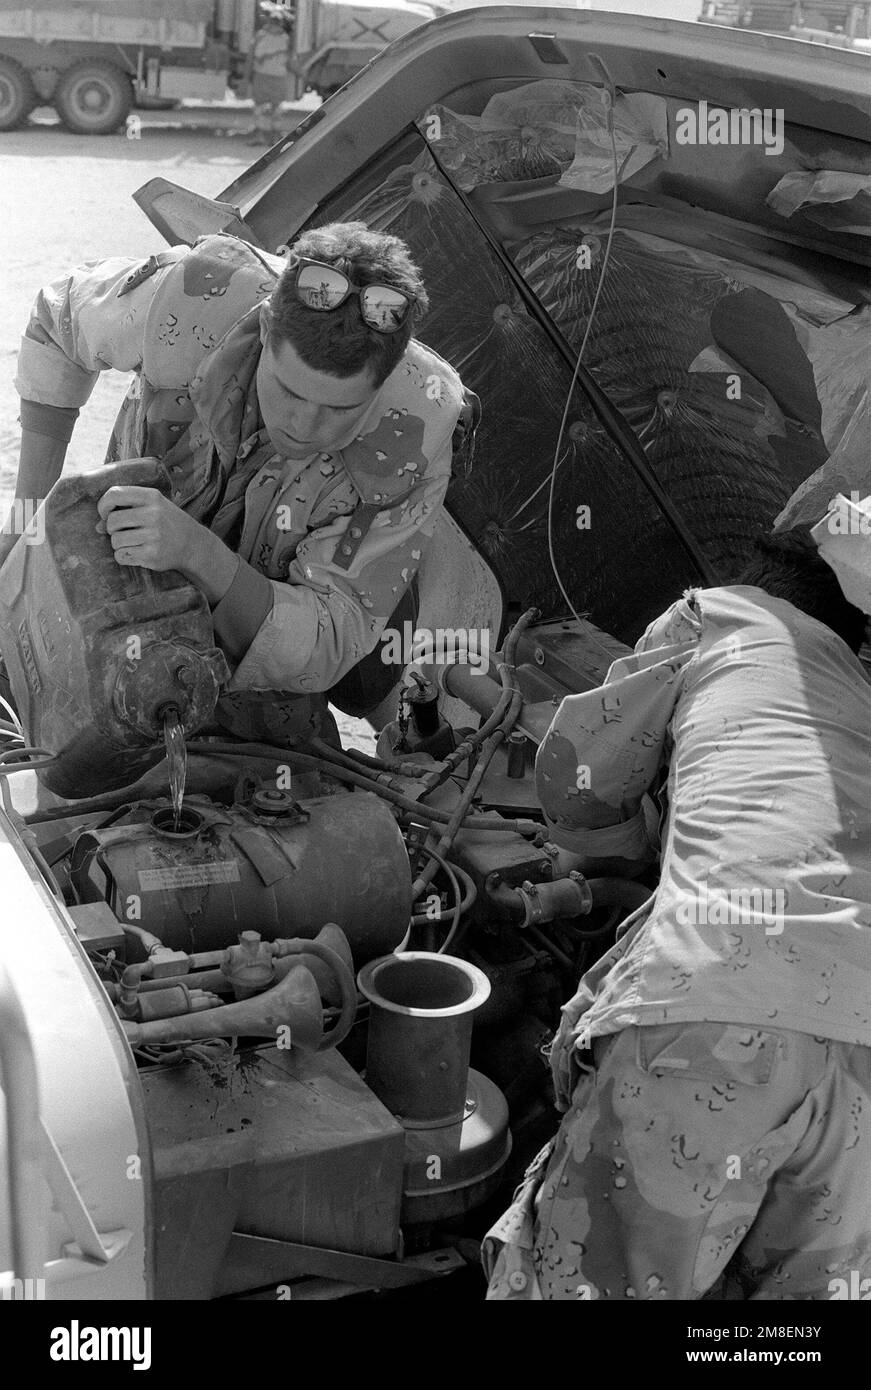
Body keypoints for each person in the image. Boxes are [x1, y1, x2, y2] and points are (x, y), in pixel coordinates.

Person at [483, 528, 871, 1300]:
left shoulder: (720, 615)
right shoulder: (856, 697)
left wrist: (609, 849)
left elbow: (578, 772)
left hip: (714, 1012)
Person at [4, 221, 472, 745]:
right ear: (267, 331)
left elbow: (330, 635)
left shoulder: (416, 433)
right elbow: (59, 319)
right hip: (119, 590)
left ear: (383, 382)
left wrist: (199, 553)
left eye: (341, 408)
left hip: (264, 682)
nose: (305, 426)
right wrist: (24, 528)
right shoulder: (197, 297)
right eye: (290, 392)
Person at [244, 3, 293, 146]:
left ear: (269, 20)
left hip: (262, 76)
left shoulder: (260, 35)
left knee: (259, 107)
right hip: (278, 77)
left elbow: (251, 57)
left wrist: (246, 78)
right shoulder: (285, 38)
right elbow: (289, 59)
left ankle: (260, 136)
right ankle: (275, 137)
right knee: (276, 107)